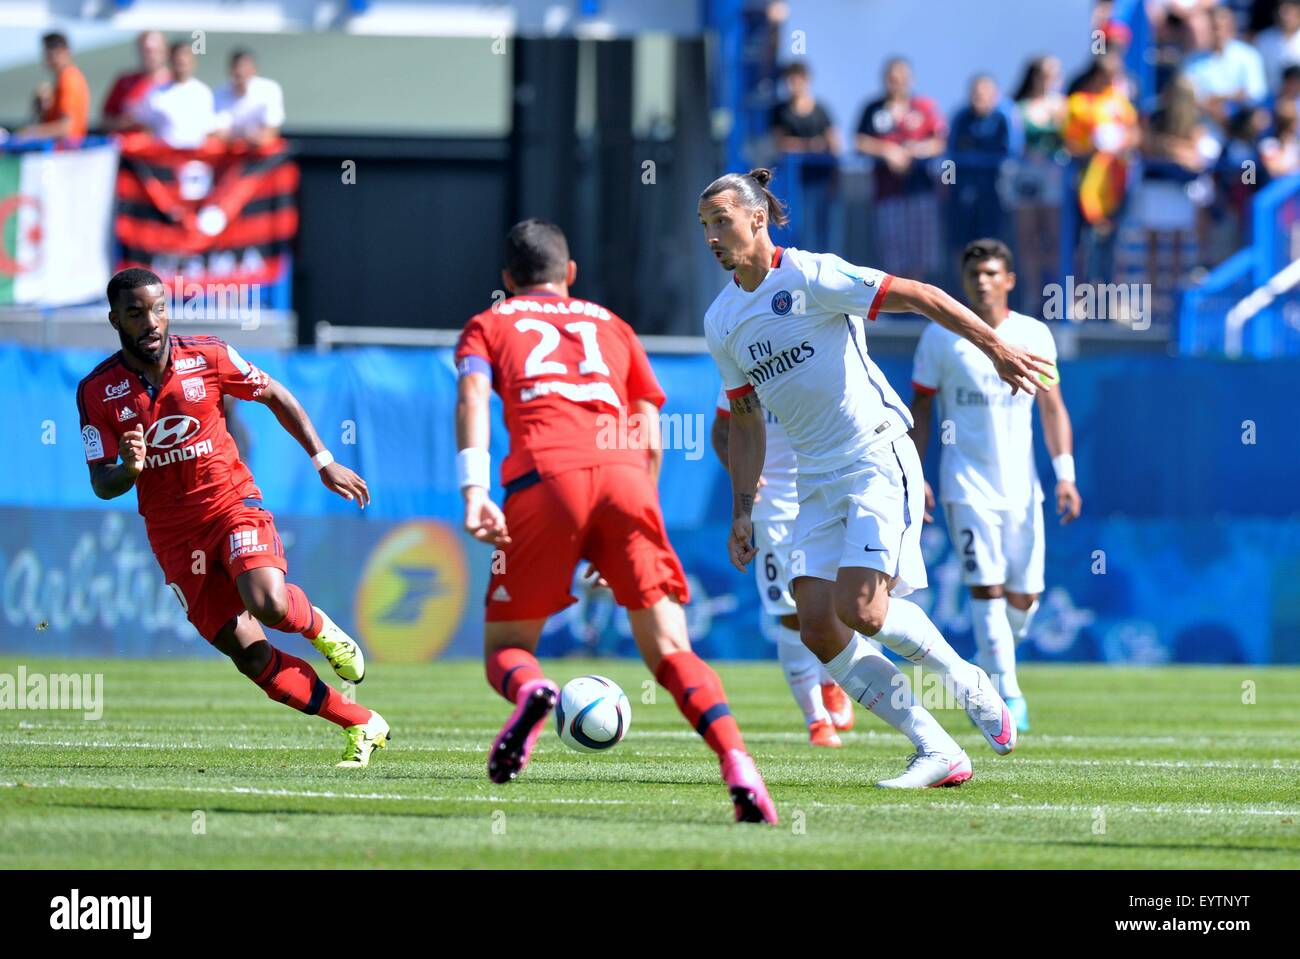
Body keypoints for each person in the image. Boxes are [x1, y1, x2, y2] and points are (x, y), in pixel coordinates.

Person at [699, 169, 1049, 788]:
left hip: (875, 457)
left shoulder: (809, 274)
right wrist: (743, 508)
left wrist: (994, 346)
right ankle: (936, 748)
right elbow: (747, 420)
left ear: (757, 219)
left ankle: (967, 680)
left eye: (721, 221)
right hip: (815, 478)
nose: (712, 236)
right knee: (816, 625)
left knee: (862, 609)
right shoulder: (723, 318)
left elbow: (920, 295)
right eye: (704, 226)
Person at [455, 219, 777, 823]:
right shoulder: (612, 324)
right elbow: (650, 434)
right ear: (569, 275)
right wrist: (629, 524)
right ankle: (738, 764)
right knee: (671, 649)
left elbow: (472, 397)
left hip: (544, 481)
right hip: (626, 479)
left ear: (506, 281)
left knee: (505, 647)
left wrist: (474, 489)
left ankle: (531, 693)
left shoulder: (488, 324)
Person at [76, 269, 386, 767]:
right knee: (252, 657)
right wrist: (129, 470)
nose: (151, 322)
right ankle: (362, 723)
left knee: (266, 601)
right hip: (174, 537)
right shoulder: (97, 391)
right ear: (115, 319)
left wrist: (324, 461)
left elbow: (275, 395)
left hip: (231, 504)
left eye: (158, 309)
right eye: (135, 314)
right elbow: (101, 481)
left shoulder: (208, 356)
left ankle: (319, 627)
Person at [909, 240, 1082, 733]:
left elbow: (1052, 407)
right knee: (984, 587)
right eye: (974, 273)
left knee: (1023, 599)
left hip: (1023, 489)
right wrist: (916, 472)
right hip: (964, 484)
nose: (982, 281)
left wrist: (1065, 473)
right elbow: (920, 408)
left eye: (991, 273)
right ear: (964, 281)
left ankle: (998, 659)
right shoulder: (940, 337)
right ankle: (1006, 691)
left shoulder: (1033, 334)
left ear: (1009, 280)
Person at [710, 388, 856, 747]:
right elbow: (721, 429)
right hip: (773, 508)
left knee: (837, 605)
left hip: (823, 498)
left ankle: (829, 680)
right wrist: (739, 474)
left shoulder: (816, 354)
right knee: (791, 613)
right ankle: (816, 720)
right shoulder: (744, 359)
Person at [855, 58, 948, 282]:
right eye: (892, 79)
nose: (897, 84)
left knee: (921, 249)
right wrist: (887, 150)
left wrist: (917, 151)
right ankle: (898, 303)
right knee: (893, 248)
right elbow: (860, 141)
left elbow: (940, 141)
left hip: (920, 189)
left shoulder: (924, 107)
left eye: (902, 79)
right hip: (888, 191)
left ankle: (917, 306)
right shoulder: (873, 109)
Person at [1011, 55, 1067, 315]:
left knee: (1055, 237)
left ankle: (1055, 296)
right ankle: (1033, 294)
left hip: (1054, 177)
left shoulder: (1062, 106)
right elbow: (1015, 143)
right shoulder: (1020, 108)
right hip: (1027, 177)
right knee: (1028, 238)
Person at [770, 62, 841, 250]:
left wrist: (835, 176)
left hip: (820, 182)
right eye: (790, 79)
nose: (794, 84)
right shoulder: (780, 111)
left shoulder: (821, 110)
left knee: (823, 230)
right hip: (793, 184)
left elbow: (834, 143)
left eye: (798, 79)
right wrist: (811, 146)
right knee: (798, 231)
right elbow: (780, 143)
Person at [947, 74, 1012, 264]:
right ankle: (964, 287)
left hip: (994, 194)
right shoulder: (960, 118)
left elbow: (1010, 153)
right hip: (963, 195)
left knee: (992, 242)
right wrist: (948, 184)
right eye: (975, 94)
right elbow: (950, 155)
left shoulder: (1002, 119)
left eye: (983, 94)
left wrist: (975, 159)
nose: (978, 99)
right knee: (960, 243)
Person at [1183, 6, 1268, 125]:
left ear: (1231, 27)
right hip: (1204, 124)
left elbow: (1256, 93)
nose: (1217, 33)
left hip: (1241, 124)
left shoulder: (1249, 55)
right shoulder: (1192, 60)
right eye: (1213, 28)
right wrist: (1215, 105)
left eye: (1221, 27)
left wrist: (1220, 99)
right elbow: (1188, 96)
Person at [133, 41, 217, 148]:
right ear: (170, 61)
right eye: (177, 58)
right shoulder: (155, 93)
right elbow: (147, 128)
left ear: (193, 61)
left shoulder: (203, 92)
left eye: (185, 56)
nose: (181, 61)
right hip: (164, 157)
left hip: (195, 158)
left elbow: (209, 130)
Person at [16, 32, 89, 143]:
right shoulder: (63, 79)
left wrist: (29, 133)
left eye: (52, 53)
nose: (47, 57)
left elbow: (66, 128)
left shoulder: (69, 79)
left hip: (66, 153)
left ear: (65, 52)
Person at [102, 31, 170, 133]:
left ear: (165, 51)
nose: (150, 56)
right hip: (128, 146)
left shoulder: (175, 82)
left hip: (163, 146)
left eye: (155, 50)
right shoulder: (124, 82)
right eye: (146, 50)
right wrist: (128, 123)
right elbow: (105, 120)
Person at [214, 49, 286, 145]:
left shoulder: (270, 89)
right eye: (236, 67)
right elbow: (220, 131)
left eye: (245, 67)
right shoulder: (219, 93)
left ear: (254, 70)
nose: (240, 72)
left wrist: (258, 138)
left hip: (262, 149)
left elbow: (272, 128)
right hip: (232, 148)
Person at [1253, 0, 1300, 91]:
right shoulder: (1263, 39)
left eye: (1288, 12)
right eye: (1281, 11)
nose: (1284, 17)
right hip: (1271, 98)